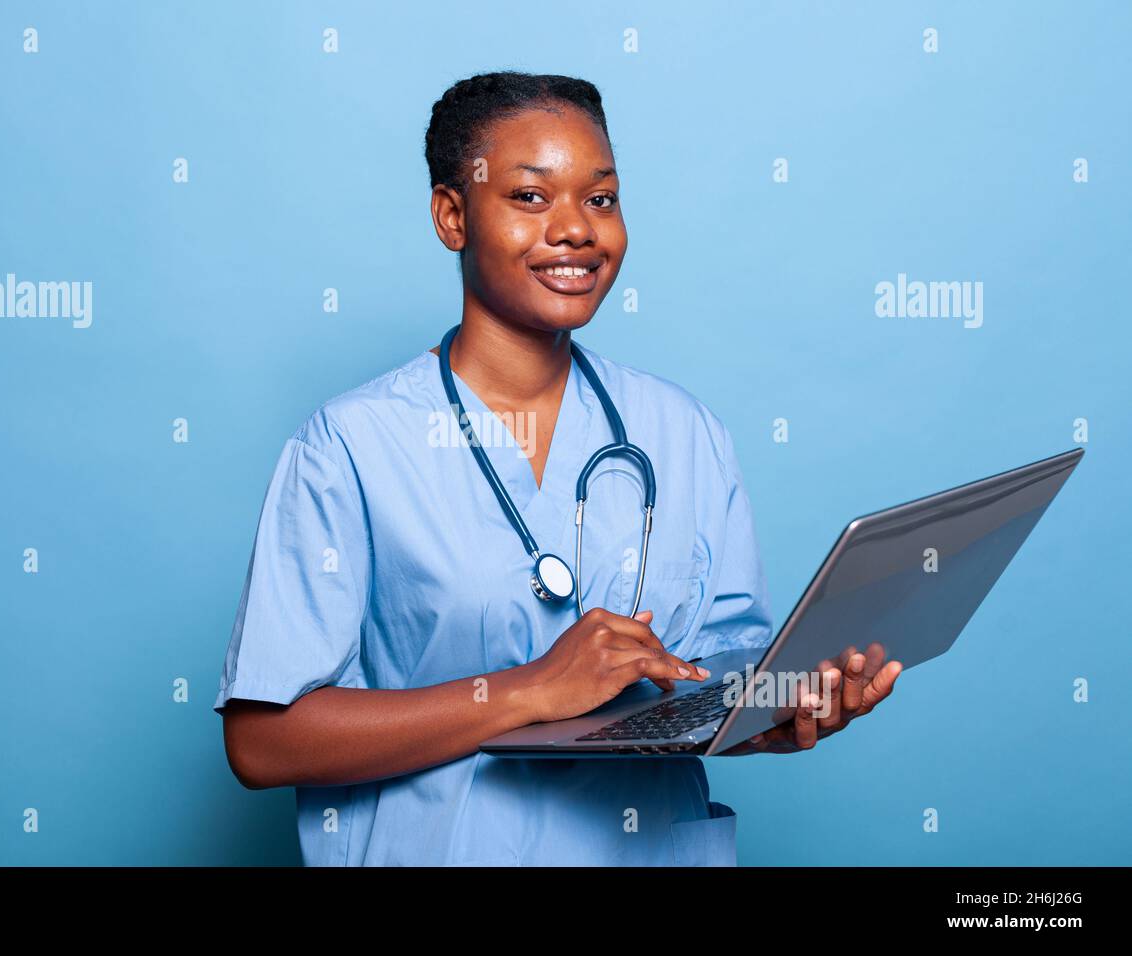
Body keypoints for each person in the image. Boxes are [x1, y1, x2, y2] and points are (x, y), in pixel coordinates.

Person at [215, 71, 901, 866]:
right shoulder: (348, 448)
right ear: (452, 215)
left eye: (600, 199)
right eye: (531, 198)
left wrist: (781, 711)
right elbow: (264, 742)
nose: (576, 230)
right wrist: (527, 689)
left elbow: (712, 684)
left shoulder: (683, 434)